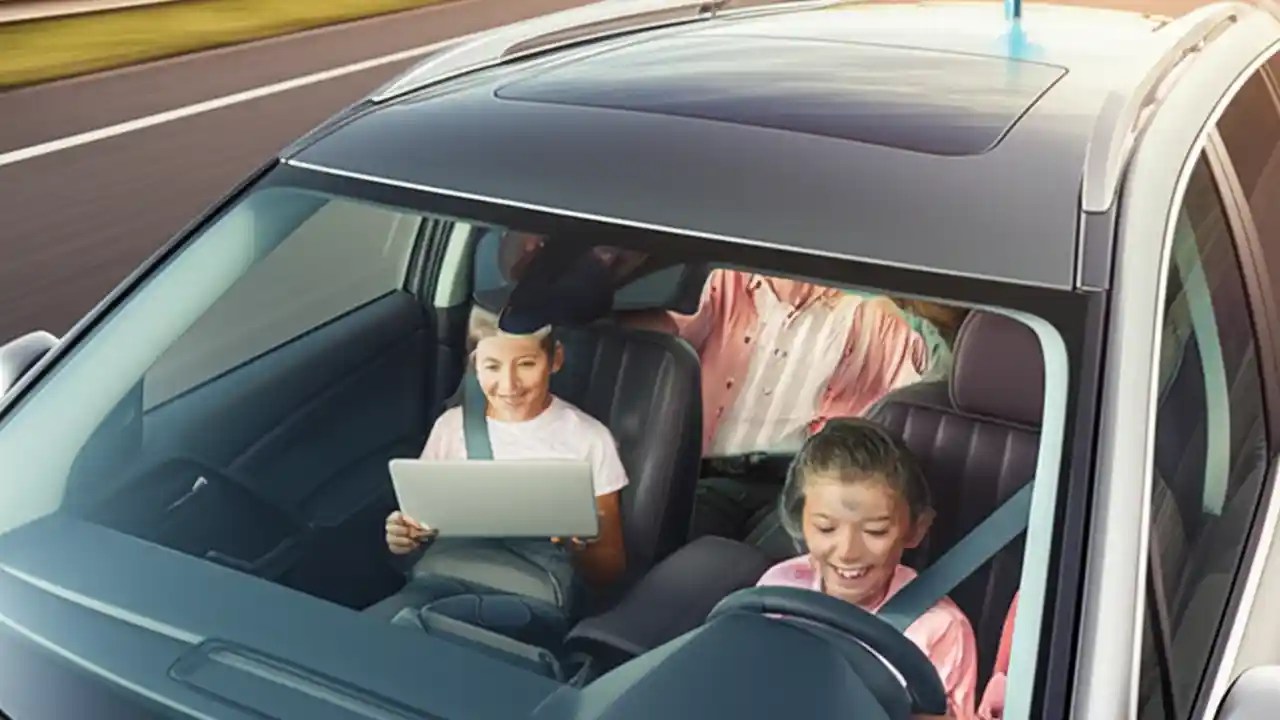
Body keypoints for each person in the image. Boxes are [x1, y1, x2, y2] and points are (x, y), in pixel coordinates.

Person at [380, 298, 629, 650]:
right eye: (492, 366)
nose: (509, 385)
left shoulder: (589, 439)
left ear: (554, 359)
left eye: (526, 364)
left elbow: (609, 572)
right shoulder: (452, 428)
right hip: (440, 577)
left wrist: (579, 543)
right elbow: (419, 529)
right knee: (377, 632)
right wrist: (404, 537)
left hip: (534, 592)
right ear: (474, 365)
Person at [625, 269, 934, 540]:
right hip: (708, 477)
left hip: (806, 489)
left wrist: (905, 318)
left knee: (782, 563)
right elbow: (668, 328)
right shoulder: (724, 283)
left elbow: (919, 401)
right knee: (678, 551)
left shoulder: (874, 319)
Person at [757, 417, 978, 720]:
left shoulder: (939, 629)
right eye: (826, 527)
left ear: (916, 528)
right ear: (800, 522)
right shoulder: (779, 587)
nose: (848, 552)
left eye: (875, 531)